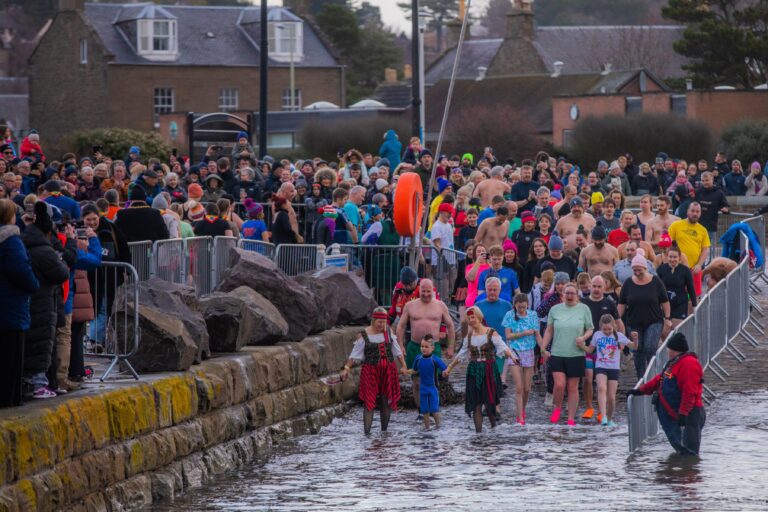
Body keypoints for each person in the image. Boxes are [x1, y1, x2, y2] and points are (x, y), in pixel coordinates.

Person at [628, 332, 706, 456]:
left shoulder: (689, 364)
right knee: (682, 451)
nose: (667, 352)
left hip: (691, 414)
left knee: (690, 454)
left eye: (668, 349)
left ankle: (689, 473)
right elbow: (661, 379)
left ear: (674, 350)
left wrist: (683, 413)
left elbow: (690, 391)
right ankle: (682, 472)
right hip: (679, 413)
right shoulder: (674, 364)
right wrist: (640, 390)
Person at [22, 202, 70, 399]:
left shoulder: (27, 241)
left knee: (36, 341)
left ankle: (34, 381)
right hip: (42, 302)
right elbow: (61, 273)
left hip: (35, 300)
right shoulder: (43, 249)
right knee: (40, 342)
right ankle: (37, 384)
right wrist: (67, 250)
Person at [444, 306, 516, 432]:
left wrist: (513, 357)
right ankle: (479, 435)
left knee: (489, 402)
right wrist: (449, 367)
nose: (472, 320)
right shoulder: (469, 336)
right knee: (476, 404)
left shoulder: (491, 332)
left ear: (479, 317)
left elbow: (503, 347)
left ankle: (494, 429)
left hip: (488, 369)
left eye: (473, 317)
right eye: (469, 318)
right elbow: (461, 354)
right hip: (473, 370)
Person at [340, 307, 407, 434]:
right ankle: (367, 434)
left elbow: (397, 351)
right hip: (370, 371)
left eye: (384, 322)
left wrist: (403, 365)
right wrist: (346, 368)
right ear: (373, 320)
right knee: (369, 402)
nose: (382, 325)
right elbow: (355, 355)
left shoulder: (389, 333)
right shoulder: (364, 335)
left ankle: (384, 433)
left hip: (388, 370)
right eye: (379, 322)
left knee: (385, 400)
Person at [0, 198, 40, 407]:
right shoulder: (11, 240)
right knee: (11, 356)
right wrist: (33, 284)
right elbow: (20, 270)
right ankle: (9, 398)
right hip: (11, 305)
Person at [396, 279, 455, 416]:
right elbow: (401, 326)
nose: (426, 294)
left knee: (432, 380)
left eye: (429, 291)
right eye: (423, 291)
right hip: (415, 346)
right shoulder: (410, 305)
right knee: (416, 381)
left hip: (433, 347)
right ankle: (421, 411)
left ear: (433, 290)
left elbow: (451, 326)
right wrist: (400, 345)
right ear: (419, 290)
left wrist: (451, 346)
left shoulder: (440, 306)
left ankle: (433, 408)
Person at [541, 282, 594, 426]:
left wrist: (583, 338)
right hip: (557, 352)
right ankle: (557, 408)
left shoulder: (584, 309)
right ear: (562, 294)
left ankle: (570, 418)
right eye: (567, 293)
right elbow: (549, 330)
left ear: (577, 295)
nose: (569, 296)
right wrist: (543, 348)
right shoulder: (555, 309)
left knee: (572, 387)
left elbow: (590, 328)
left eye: (572, 293)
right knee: (559, 385)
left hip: (576, 353)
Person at [618, 252, 671, 380]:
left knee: (649, 347)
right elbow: (622, 303)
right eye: (634, 270)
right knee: (637, 350)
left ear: (645, 268)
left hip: (654, 321)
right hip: (634, 322)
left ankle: (654, 376)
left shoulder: (656, 281)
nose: (637, 272)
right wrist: (618, 319)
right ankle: (641, 379)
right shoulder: (628, 283)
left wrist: (667, 318)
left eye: (639, 270)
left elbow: (664, 301)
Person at [588, 315, 637, 426]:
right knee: (601, 388)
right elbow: (590, 349)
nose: (607, 331)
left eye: (609, 329)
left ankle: (610, 419)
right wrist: (581, 345)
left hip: (614, 368)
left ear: (614, 327)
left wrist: (635, 339)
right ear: (600, 327)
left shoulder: (619, 336)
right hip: (601, 366)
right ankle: (603, 416)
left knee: (611, 397)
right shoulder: (597, 335)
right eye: (604, 329)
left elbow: (634, 347)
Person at [502, 293, 542, 425]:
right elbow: (508, 336)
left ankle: (522, 410)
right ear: (515, 305)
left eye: (524, 307)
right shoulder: (509, 315)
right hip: (514, 352)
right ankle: (520, 417)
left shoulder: (533, 315)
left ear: (528, 305)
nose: (521, 310)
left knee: (527, 388)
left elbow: (537, 335)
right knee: (519, 387)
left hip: (529, 352)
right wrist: (523, 333)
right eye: (519, 307)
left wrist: (543, 349)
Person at [668, 202, 710, 297]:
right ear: (687, 212)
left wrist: (699, 265)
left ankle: (693, 313)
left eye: (697, 211)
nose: (695, 213)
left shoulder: (703, 230)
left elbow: (705, 249)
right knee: (677, 296)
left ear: (700, 213)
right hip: (677, 268)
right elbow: (668, 245)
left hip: (694, 269)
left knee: (694, 298)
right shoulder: (676, 225)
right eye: (692, 211)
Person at [409, 334, 448, 430]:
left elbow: (445, 368)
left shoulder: (434, 359)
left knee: (434, 409)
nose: (424, 349)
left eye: (426, 347)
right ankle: (427, 429)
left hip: (433, 388)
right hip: (423, 388)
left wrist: (445, 373)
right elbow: (414, 370)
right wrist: (405, 371)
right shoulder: (418, 358)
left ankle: (439, 427)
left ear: (432, 348)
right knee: (425, 410)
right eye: (422, 346)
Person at [657, 246, 697, 337]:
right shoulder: (661, 269)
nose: (672, 259)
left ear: (679, 258)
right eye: (670, 257)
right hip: (665, 304)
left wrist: (694, 305)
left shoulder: (685, 270)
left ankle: (678, 350)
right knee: (664, 333)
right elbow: (657, 288)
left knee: (677, 330)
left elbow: (691, 288)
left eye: (675, 257)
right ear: (667, 257)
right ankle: (667, 350)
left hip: (680, 304)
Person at [430, 203, 458, 305]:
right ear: (441, 212)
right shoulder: (437, 226)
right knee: (442, 283)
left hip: (451, 258)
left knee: (452, 282)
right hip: (440, 259)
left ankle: (449, 302)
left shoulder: (449, 225)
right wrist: (443, 256)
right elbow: (437, 243)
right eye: (448, 212)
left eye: (451, 213)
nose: (450, 214)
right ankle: (442, 303)